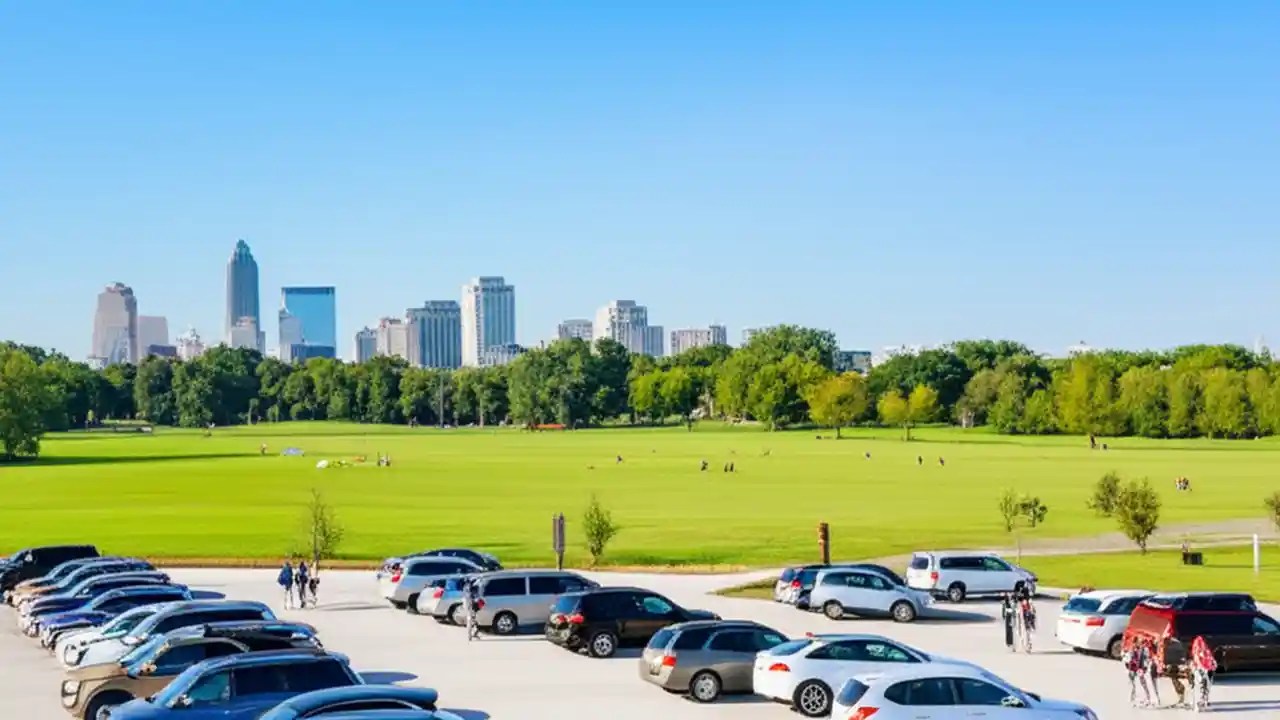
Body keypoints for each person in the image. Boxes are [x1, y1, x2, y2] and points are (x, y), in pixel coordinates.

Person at [1190, 635, 1216, 710]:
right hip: (1202, 668)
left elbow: (1210, 656)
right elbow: (1197, 657)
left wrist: (1212, 662)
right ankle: (1202, 700)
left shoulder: (1204, 648)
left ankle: (1203, 700)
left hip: (1205, 668)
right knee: (1203, 684)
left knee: (1204, 684)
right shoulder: (1200, 647)